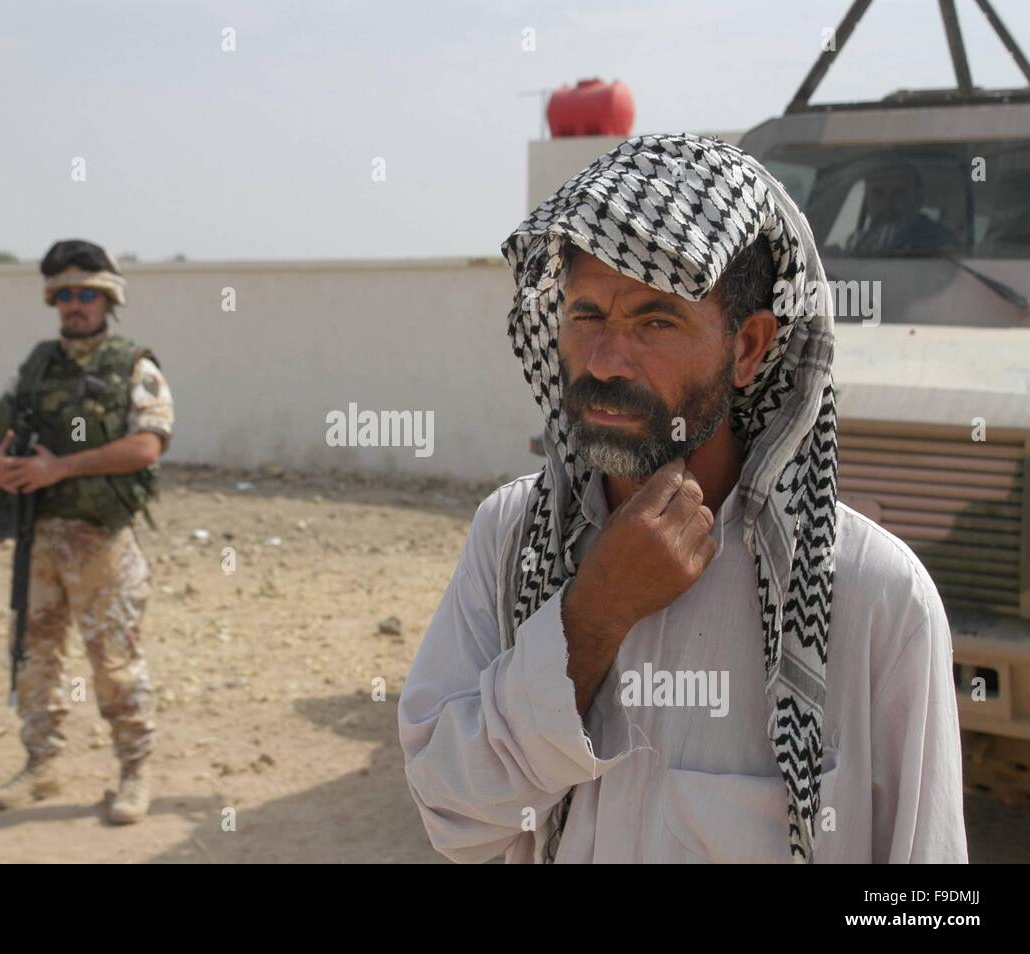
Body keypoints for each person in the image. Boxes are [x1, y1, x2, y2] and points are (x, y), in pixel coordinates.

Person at [398, 134, 967, 863]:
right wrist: (593, 616)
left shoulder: (871, 595)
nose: (606, 361)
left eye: (655, 321)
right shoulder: (512, 537)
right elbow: (452, 816)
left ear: (748, 347)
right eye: (586, 315)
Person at [0, 239, 174, 825]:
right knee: (34, 657)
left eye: (85, 294)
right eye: (64, 296)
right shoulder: (35, 368)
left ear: (107, 301)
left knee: (114, 663)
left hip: (101, 542)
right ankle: (41, 765)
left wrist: (61, 467)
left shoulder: (134, 367)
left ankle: (134, 771)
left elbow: (147, 445)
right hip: (39, 538)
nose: (75, 305)